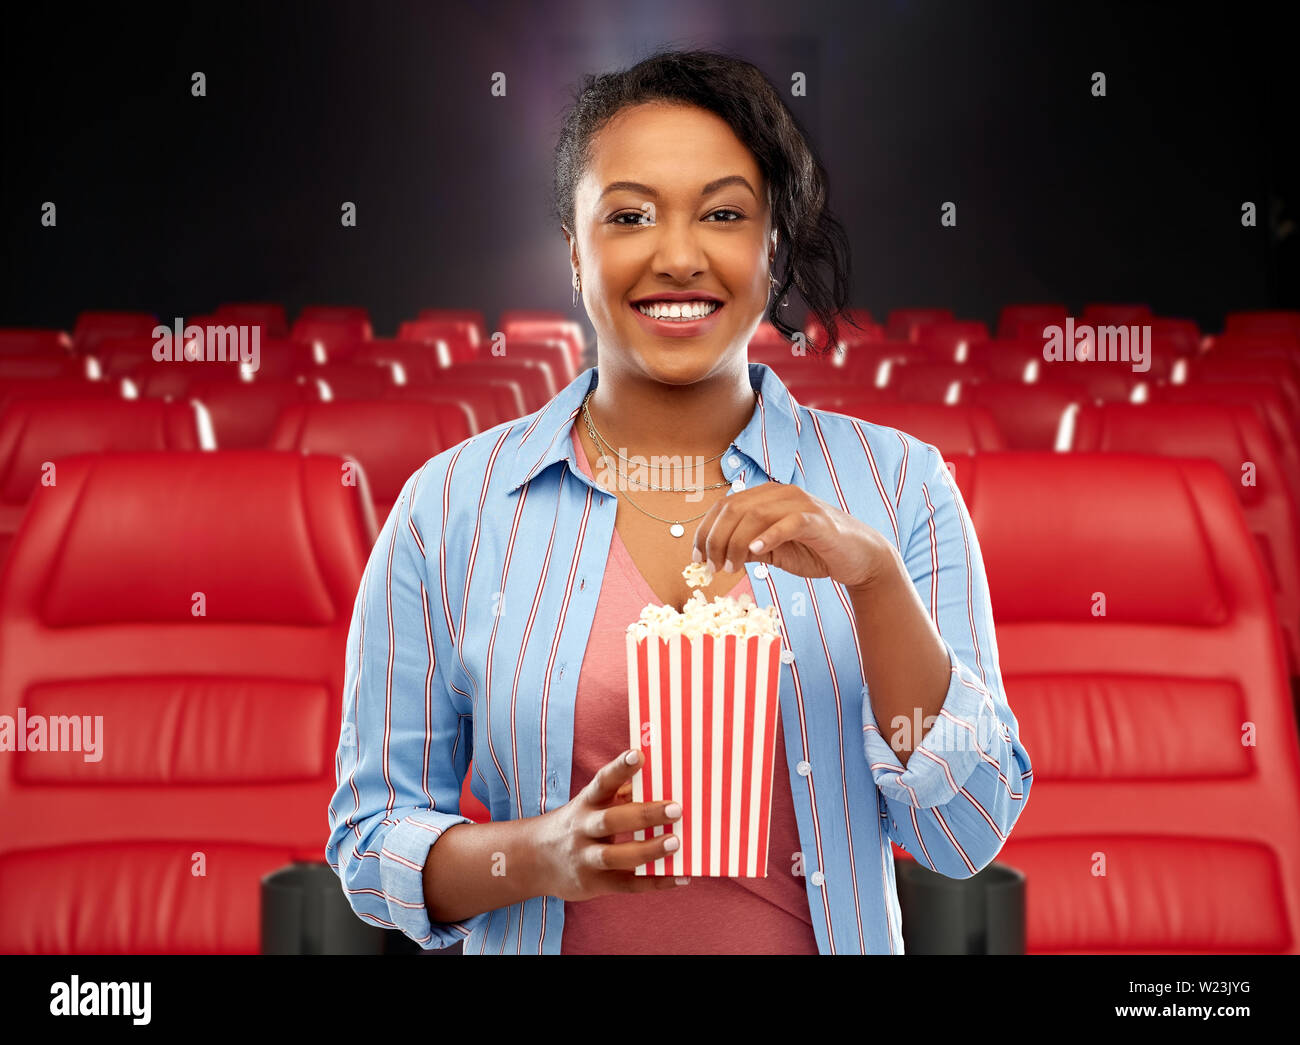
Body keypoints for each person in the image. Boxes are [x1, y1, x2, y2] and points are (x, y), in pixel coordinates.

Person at [326, 47, 1032, 954]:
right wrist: (537, 855)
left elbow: (966, 831)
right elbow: (369, 840)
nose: (678, 255)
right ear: (574, 254)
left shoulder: (900, 488)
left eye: (724, 214)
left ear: (771, 251)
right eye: (629, 216)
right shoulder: (448, 507)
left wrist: (875, 583)